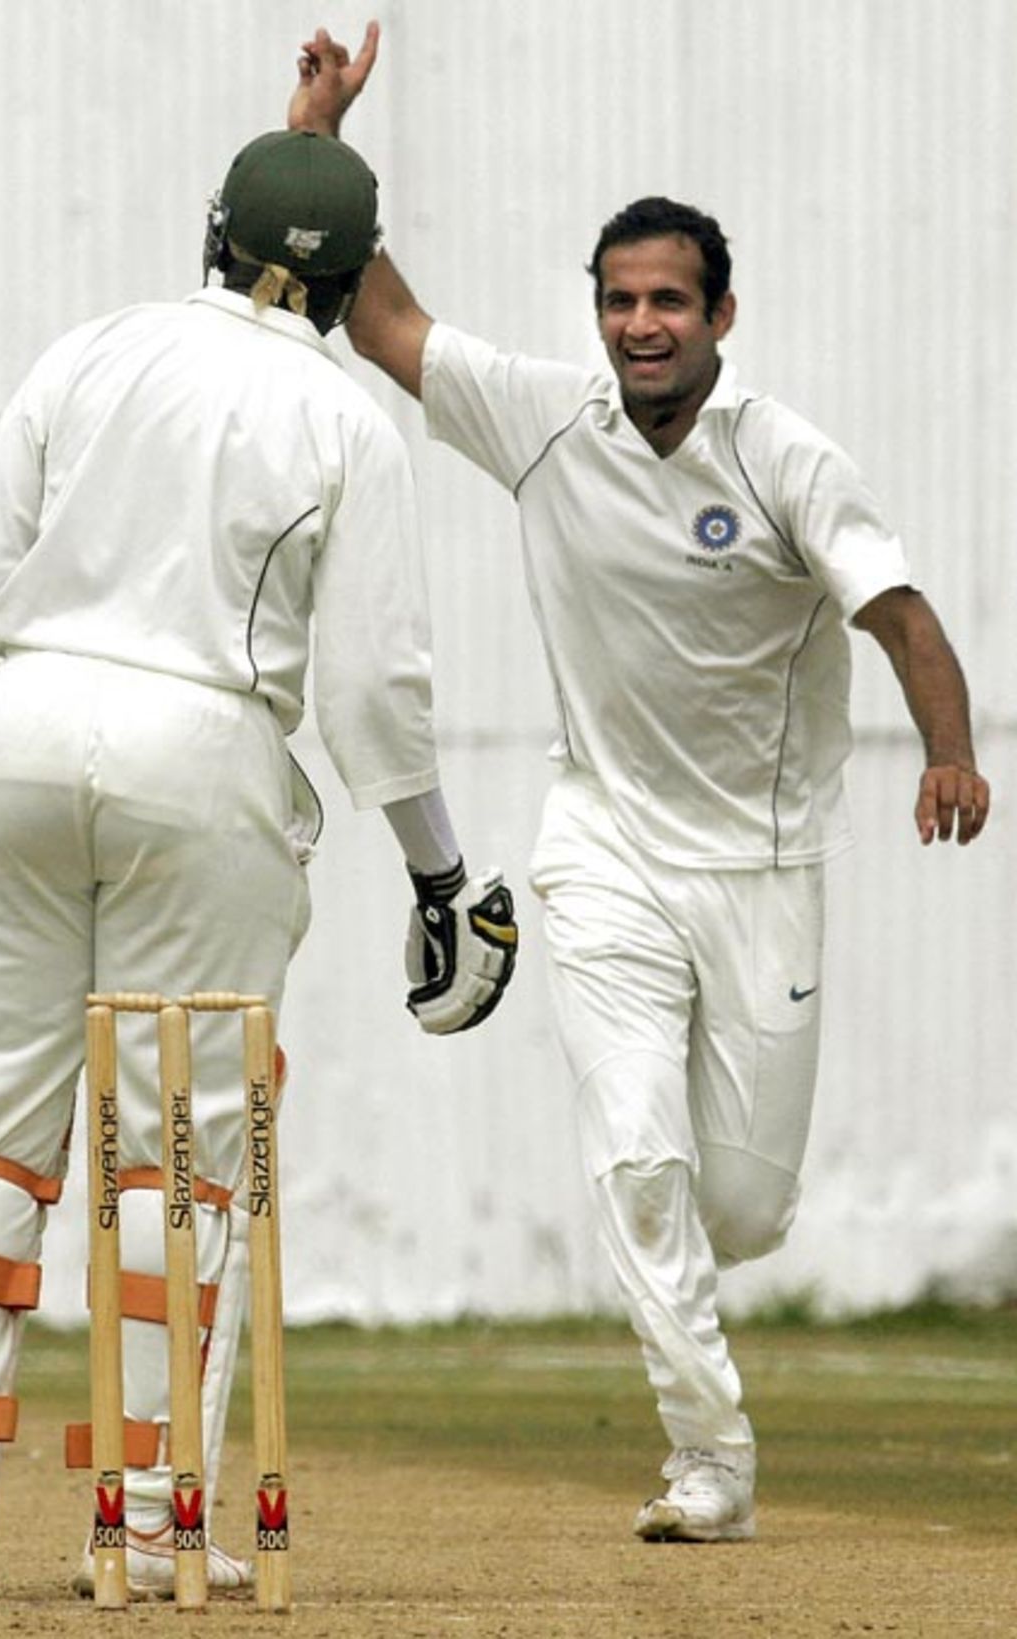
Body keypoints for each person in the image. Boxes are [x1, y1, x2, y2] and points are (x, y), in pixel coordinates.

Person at [285, 24, 991, 1544]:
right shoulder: (550, 422)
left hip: (764, 870)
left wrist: (948, 748)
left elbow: (902, 615)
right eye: (619, 302)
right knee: (638, 1151)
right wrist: (323, 138)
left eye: (670, 301)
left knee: (739, 1208)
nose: (642, 326)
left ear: (723, 314)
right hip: (599, 850)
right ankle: (709, 1458)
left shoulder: (785, 457)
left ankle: (712, 1313)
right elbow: (385, 319)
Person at [0, 126, 517, 1598]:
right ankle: (143, 1524)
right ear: (343, 293)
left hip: (14, 731)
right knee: (172, 1159)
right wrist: (437, 875)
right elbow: (374, 691)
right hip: (204, 765)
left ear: (208, 232)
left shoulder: (90, 351)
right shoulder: (347, 423)